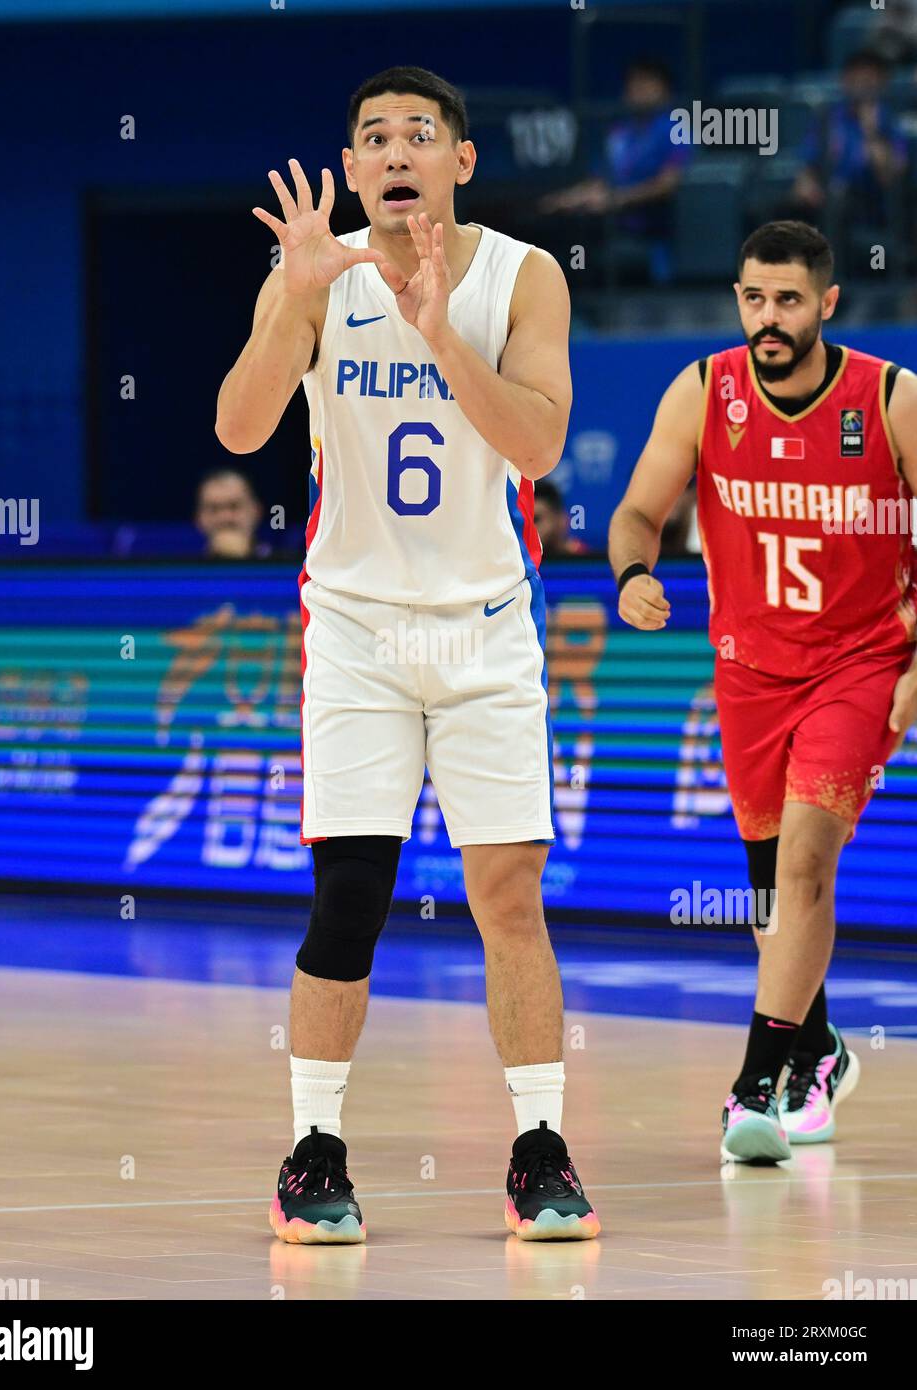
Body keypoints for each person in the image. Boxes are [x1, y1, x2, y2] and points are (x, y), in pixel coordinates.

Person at [216, 66, 599, 1242]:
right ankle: (313, 1151)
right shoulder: (319, 275)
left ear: (460, 161)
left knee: (509, 896)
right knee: (351, 897)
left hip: (486, 629)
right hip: (359, 635)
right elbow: (239, 426)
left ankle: (539, 1146)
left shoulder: (523, 275)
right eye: (373, 136)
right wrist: (290, 296)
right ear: (352, 168)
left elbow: (537, 445)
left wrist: (440, 335)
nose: (395, 151)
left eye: (417, 134)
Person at [608, 220, 917, 1164]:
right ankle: (817, 1051)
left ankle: (754, 1086)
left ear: (827, 302)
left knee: (807, 867)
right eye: (753, 298)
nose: (768, 317)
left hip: (859, 660)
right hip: (747, 670)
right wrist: (630, 575)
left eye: (787, 300)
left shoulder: (892, 398)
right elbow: (635, 509)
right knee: (765, 889)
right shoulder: (703, 391)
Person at [539, 59, 689, 284]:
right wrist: (567, 200)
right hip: (608, 220)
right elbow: (600, 180)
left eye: (647, 83)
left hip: (651, 226)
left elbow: (668, 184)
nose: (638, 90)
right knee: (551, 223)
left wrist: (616, 200)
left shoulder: (677, 128)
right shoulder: (620, 132)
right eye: (633, 83)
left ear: (665, 90)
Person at [791, 52, 906, 230]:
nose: (861, 86)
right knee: (769, 208)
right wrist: (806, 184)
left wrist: (871, 132)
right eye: (855, 78)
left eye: (868, 80)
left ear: (882, 83)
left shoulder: (890, 125)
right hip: (824, 200)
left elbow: (888, 179)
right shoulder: (827, 119)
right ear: (844, 81)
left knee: (838, 203)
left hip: (869, 207)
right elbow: (808, 166)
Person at [194, 468, 270, 558]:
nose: (225, 518)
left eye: (234, 506)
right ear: (198, 518)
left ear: (257, 512)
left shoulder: (284, 566)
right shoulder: (183, 569)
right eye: (214, 509)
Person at [533, 480, 592, 557]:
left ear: (561, 520)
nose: (528, 527)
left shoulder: (583, 560)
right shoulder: (516, 560)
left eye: (536, 519)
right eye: (524, 520)